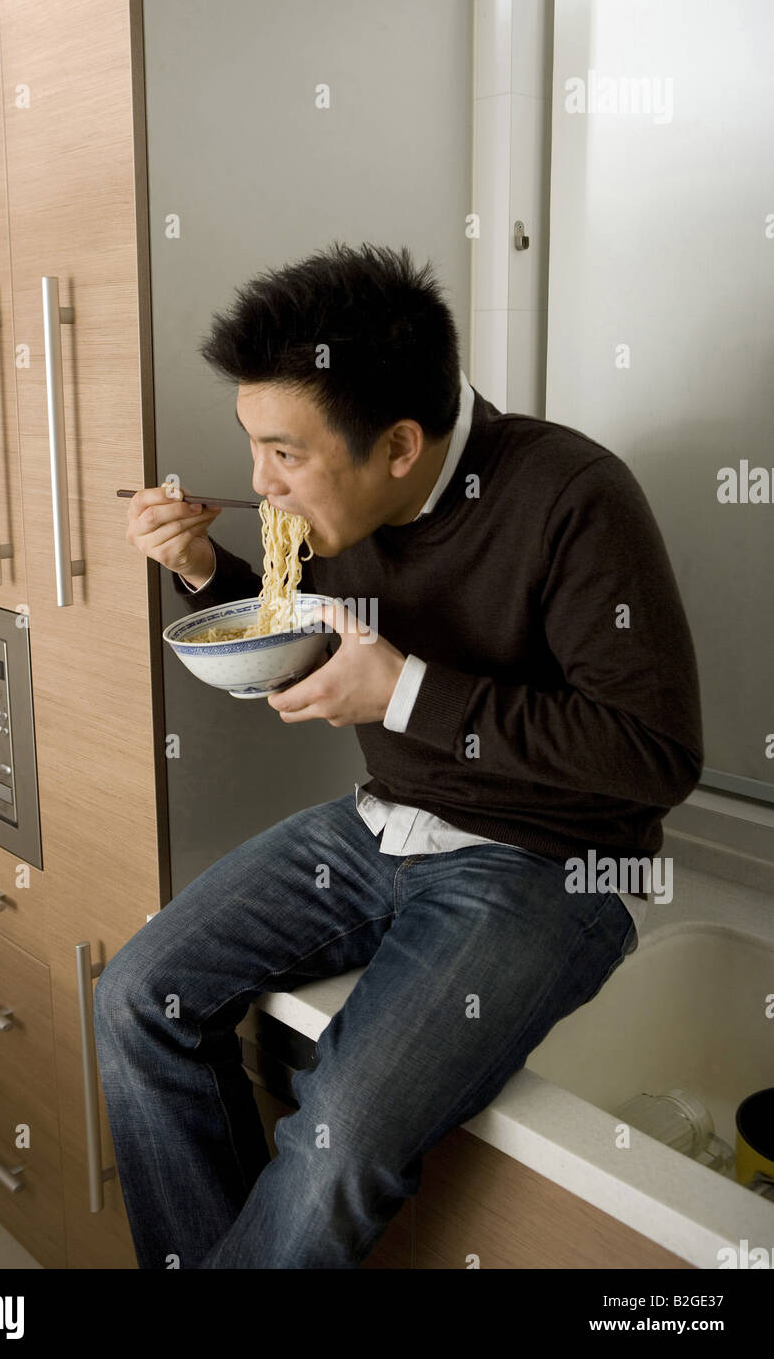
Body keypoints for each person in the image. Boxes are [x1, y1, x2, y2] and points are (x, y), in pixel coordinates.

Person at [94, 240, 704, 1269]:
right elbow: (298, 628)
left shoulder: (572, 495)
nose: (261, 483)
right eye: (254, 448)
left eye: (284, 454)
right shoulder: (341, 497)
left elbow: (653, 753)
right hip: (385, 818)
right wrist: (203, 569)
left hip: (551, 860)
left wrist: (408, 690)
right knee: (134, 998)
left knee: (343, 1127)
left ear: (401, 446)